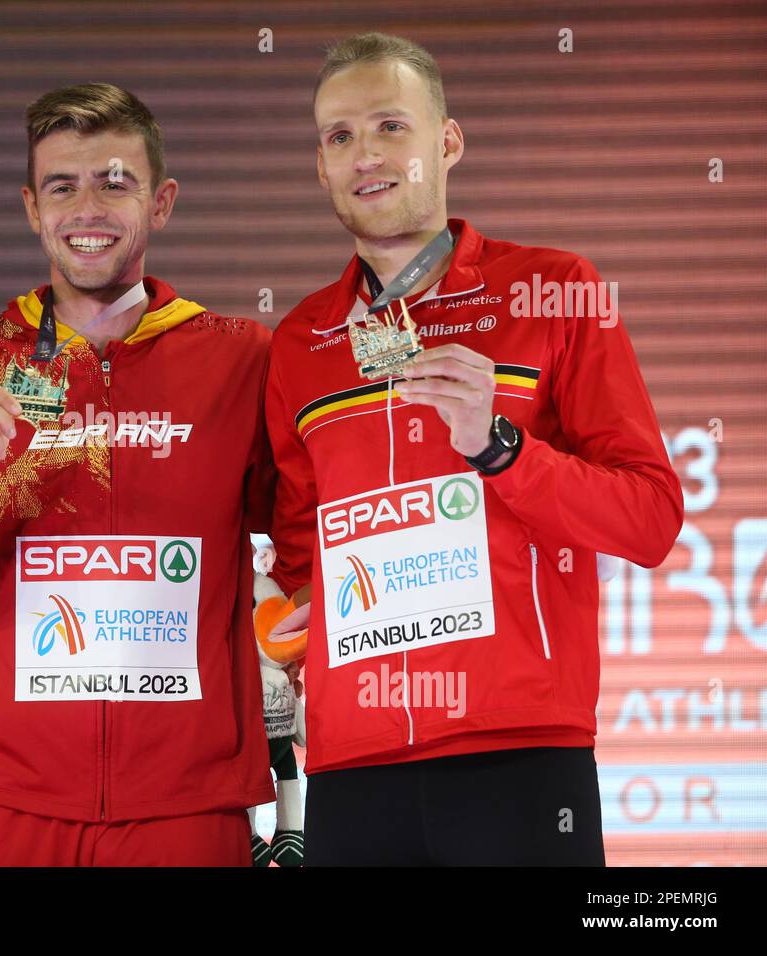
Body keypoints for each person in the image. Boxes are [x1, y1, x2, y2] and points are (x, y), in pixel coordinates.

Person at [263, 33, 683, 865]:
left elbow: (650, 518)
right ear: (321, 164)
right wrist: (288, 624)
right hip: (350, 769)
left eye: (391, 126)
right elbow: (300, 553)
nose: (365, 154)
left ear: (448, 141)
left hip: (520, 759)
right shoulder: (301, 341)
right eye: (340, 136)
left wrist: (500, 449)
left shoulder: (555, 290)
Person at [0, 83, 275, 866]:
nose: (87, 209)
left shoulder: (242, 357)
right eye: (62, 186)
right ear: (32, 208)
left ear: (161, 203)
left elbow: (303, 540)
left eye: (114, 184)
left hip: (188, 802)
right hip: (13, 798)